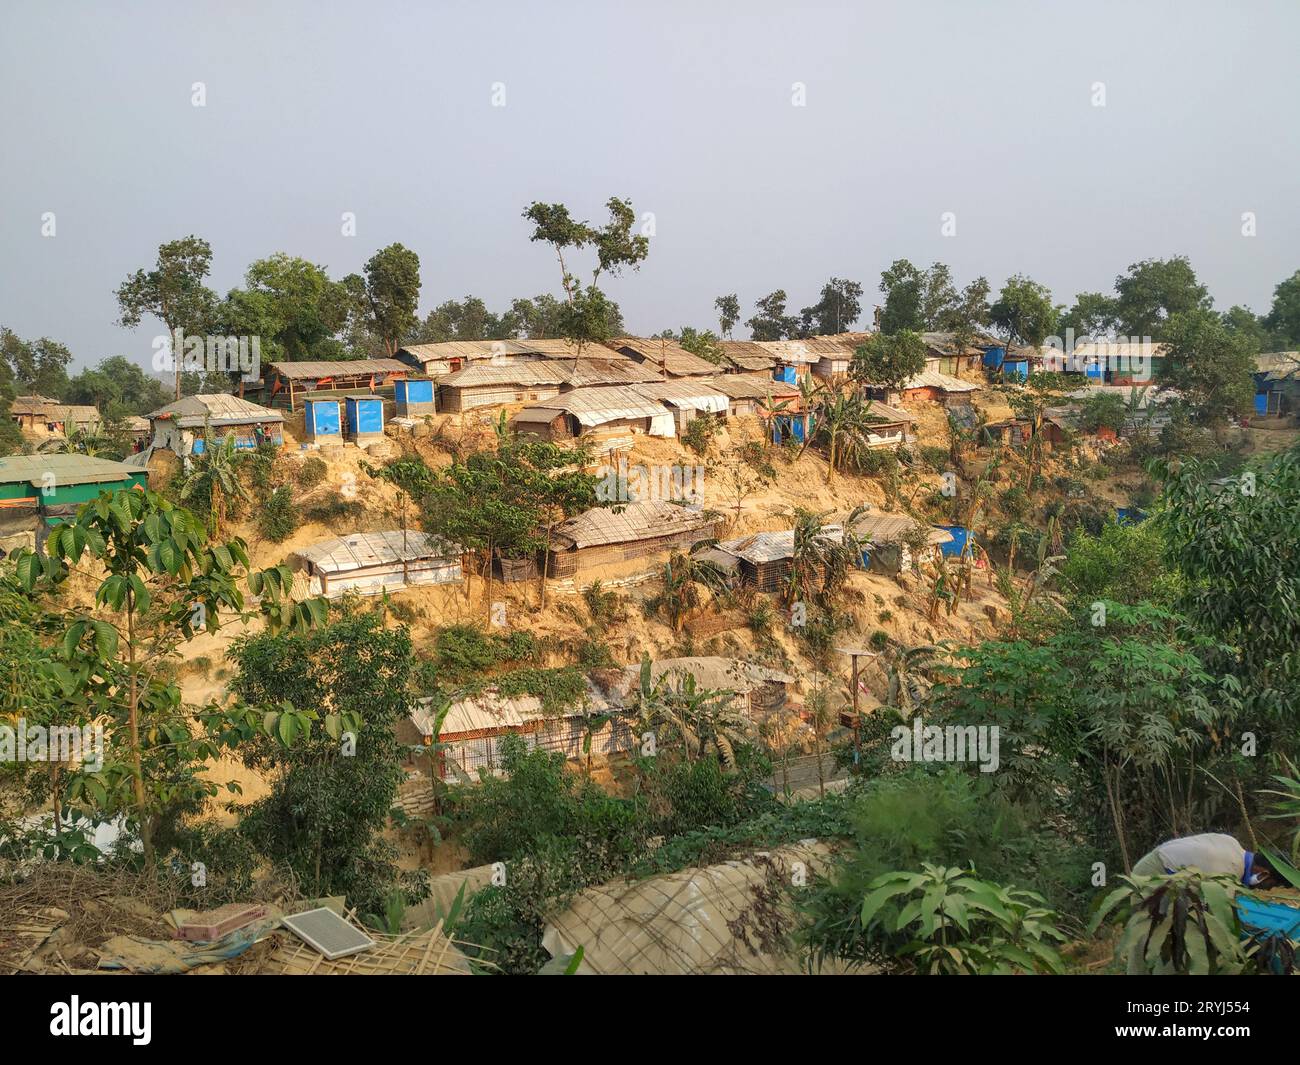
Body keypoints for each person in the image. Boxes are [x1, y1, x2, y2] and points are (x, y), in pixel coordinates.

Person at [1130, 832, 1281, 887]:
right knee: (1151, 933)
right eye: (1272, 884)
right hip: (1155, 870)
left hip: (1156, 858)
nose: (1269, 889)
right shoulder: (1230, 873)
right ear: (1263, 874)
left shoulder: (1233, 844)